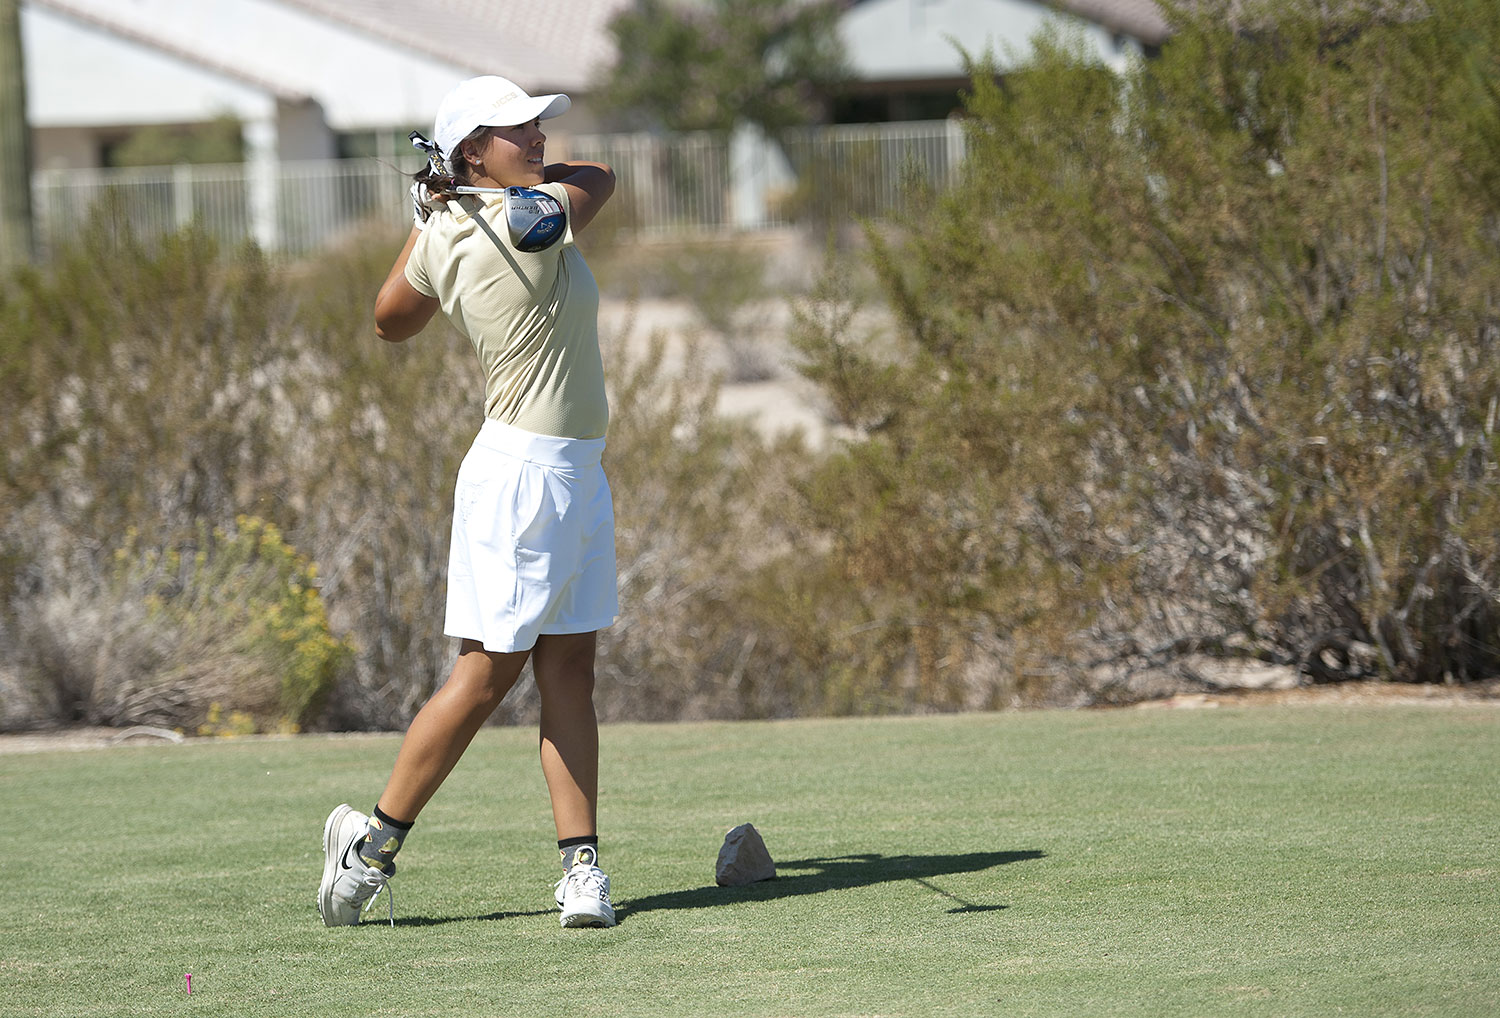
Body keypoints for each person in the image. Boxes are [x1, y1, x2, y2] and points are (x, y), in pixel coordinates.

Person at [317, 75, 620, 929]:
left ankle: (581, 872)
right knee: (488, 673)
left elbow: (392, 316)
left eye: (535, 125)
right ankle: (370, 850)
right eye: (511, 129)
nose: (535, 137)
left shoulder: (504, 215)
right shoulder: (506, 220)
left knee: (570, 669)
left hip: (576, 472)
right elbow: (601, 177)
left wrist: (435, 223)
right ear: (470, 151)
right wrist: (449, 219)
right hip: (521, 476)